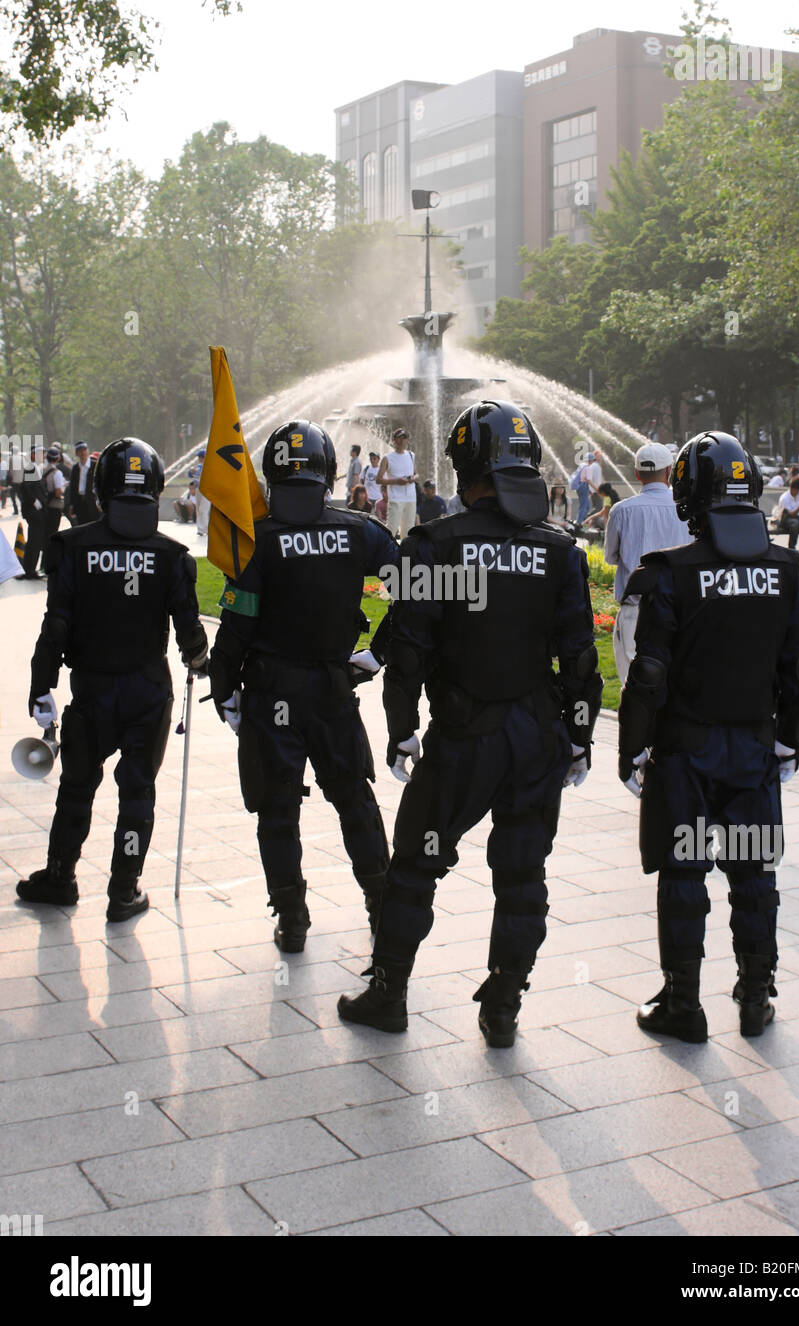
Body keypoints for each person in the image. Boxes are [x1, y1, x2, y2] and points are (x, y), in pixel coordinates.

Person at [337, 398, 604, 1048]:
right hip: (536, 739)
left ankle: (389, 994)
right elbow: (579, 657)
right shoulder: (559, 551)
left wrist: (402, 729)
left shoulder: (435, 545)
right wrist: (579, 736)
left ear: (464, 467)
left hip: (463, 741)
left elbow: (408, 652)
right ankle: (504, 1007)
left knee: (416, 867)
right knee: (522, 876)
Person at [618, 431, 799, 1043]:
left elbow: (648, 677)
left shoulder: (671, 575)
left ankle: (685, 1004)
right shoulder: (787, 571)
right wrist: (789, 740)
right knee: (755, 873)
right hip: (755, 750)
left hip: (685, 753)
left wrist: (631, 749)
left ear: (688, 493)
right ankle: (757, 994)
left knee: (684, 873)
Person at [208, 421, 400, 951]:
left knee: (277, 808)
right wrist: (377, 655)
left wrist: (224, 685)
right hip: (334, 690)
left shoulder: (258, 540)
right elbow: (419, 589)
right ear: (331, 472)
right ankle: (381, 909)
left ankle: (292, 918)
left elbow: (238, 624)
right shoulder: (361, 531)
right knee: (354, 800)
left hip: (273, 693)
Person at [17, 438, 208, 920]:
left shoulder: (72, 547)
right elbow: (190, 632)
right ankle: (124, 891)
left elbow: (55, 625)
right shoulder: (173, 556)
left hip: (93, 690)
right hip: (149, 691)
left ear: (100, 491)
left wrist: (42, 685)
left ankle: (60, 876)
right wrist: (203, 663)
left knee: (77, 787)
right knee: (137, 791)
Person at [604, 443, 692, 684]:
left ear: (636, 474)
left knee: (633, 687)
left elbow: (611, 557)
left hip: (635, 612)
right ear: (668, 472)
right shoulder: (686, 509)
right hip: (681, 611)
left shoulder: (622, 510)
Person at [13, 446, 46, 580]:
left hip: (37, 510)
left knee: (35, 541)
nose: (42, 456)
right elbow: (25, 487)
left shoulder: (35, 467)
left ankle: (30, 568)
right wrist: (35, 502)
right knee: (34, 541)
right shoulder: (30, 468)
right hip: (33, 511)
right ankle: (29, 570)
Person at [377, 429, 417, 539]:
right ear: (395, 439)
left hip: (411, 498)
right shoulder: (387, 458)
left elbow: (416, 473)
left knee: (408, 533)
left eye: (405, 438)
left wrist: (412, 479)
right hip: (396, 498)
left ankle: (405, 557)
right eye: (400, 437)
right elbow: (378, 479)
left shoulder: (411, 455)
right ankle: (386, 555)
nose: (403, 440)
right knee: (391, 530)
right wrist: (396, 481)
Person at [41, 447, 68, 554]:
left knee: (46, 531)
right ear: (58, 459)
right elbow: (58, 492)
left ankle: (44, 556)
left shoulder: (42, 469)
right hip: (55, 505)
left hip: (45, 504)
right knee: (52, 532)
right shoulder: (57, 473)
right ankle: (49, 556)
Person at [66, 441, 100, 526]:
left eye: (84, 450)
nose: (83, 453)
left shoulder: (95, 466)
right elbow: (72, 487)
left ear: (88, 451)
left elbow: (99, 484)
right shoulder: (75, 468)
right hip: (79, 502)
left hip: (92, 502)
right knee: (81, 526)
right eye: (80, 451)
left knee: (93, 525)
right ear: (77, 453)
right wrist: (71, 504)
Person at [777, 476, 799, 550]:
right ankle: (791, 547)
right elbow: (791, 514)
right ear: (793, 489)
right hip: (785, 519)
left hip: (796, 517)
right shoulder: (784, 498)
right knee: (795, 524)